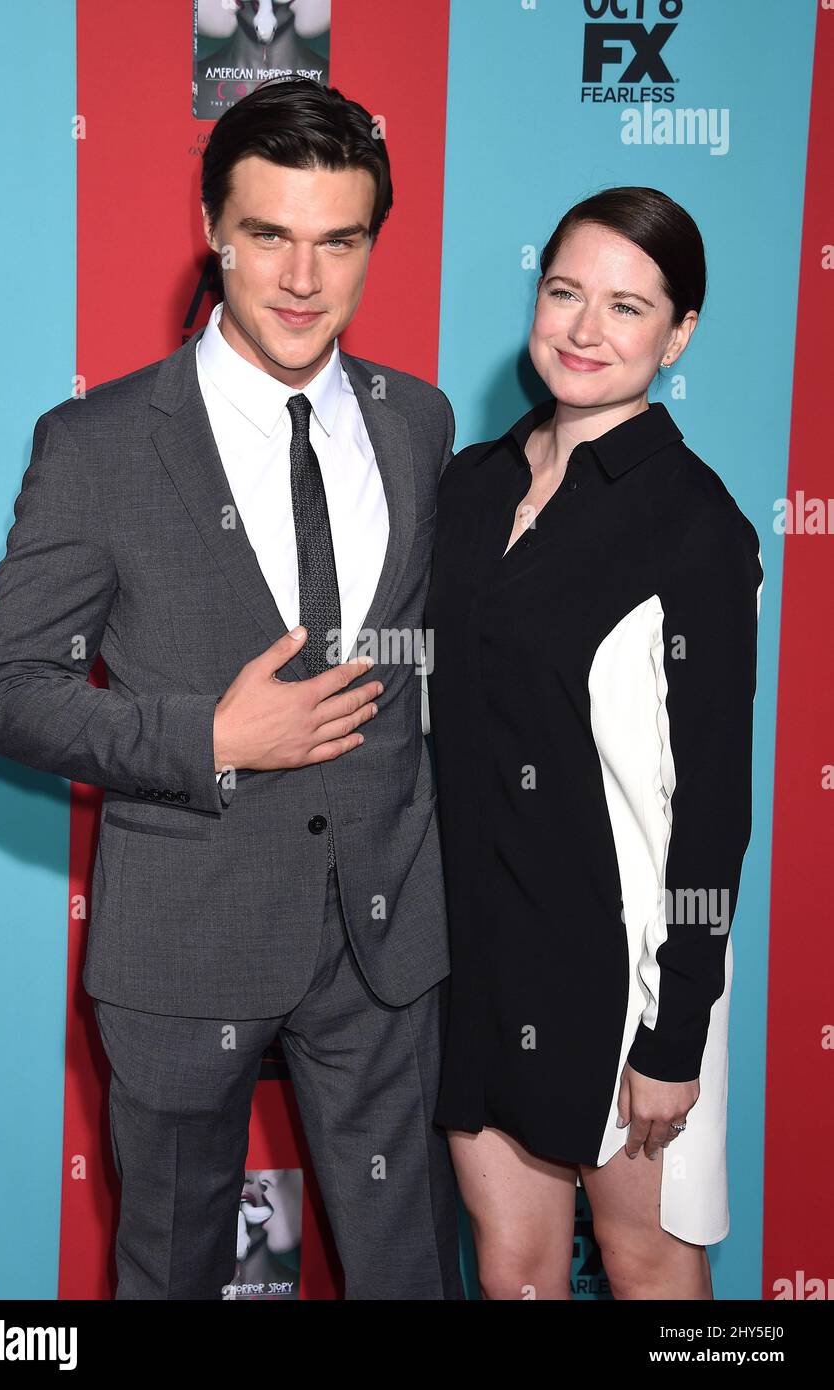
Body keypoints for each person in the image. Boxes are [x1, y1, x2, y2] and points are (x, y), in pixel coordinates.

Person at [0, 76, 462, 1301]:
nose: (302, 278)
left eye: (336, 240)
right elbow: (9, 692)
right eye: (269, 236)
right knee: (170, 1274)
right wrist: (213, 734)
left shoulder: (419, 424)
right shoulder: (97, 444)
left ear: (369, 245)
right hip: (184, 949)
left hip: (384, 947)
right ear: (213, 227)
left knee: (407, 1275)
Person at [426, 186, 763, 1300]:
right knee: (514, 1273)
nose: (582, 330)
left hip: (625, 976)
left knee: (649, 1267)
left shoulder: (695, 525)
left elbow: (712, 804)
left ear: (678, 334)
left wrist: (672, 1036)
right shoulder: (468, 490)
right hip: (473, 956)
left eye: (626, 306)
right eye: (563, 292)